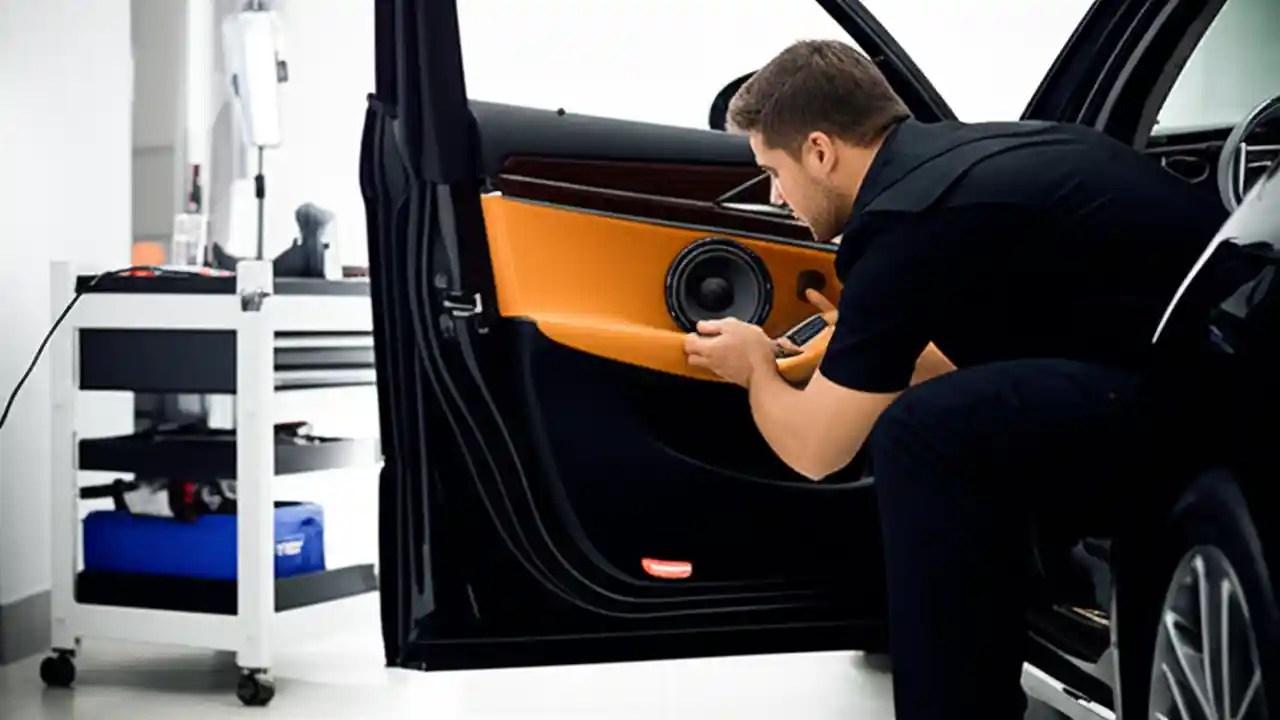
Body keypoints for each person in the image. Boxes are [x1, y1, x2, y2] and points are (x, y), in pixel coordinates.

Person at [682, 40, 1226, 719]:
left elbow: (817, 451)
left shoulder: (900, 226)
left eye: (773, 170)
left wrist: (754, 367)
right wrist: (866, 351)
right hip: (1219, 365)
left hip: (1210, 402)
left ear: (820, 151)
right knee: (950, 409)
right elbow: (1014, 337)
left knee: (926, 434)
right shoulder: (975, 162)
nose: (774, 195)